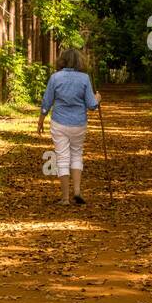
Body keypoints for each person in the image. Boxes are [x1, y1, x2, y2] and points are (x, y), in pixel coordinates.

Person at [37, 48, 101, 205]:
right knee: (77, 155)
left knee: (62, 158)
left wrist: (41, 120)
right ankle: (77, 191)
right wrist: (98, 98)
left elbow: (47, 101)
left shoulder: (55, 78)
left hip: (59, 122)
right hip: (79, 123)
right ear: (79, 61)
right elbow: (92, 105)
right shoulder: (84, 78)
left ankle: (65, 198)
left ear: (62, 60)